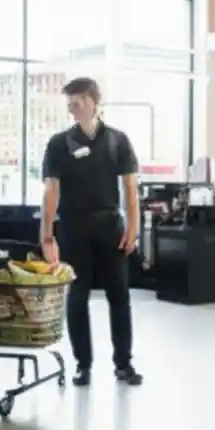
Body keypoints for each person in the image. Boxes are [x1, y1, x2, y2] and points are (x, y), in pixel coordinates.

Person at [40, 77, 143, 387]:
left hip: (110, 225)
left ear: (94, 102)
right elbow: (51, 192)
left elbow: (130, 188)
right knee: (77, 295)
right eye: (69, 103)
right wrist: (47, 235)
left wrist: (134, 227)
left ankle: (123, 364)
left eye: (78, 102)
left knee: (119, 295)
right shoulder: (59, 144)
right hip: (73, 226)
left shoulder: (117, 140)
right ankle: (82, 364)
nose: (73, 108)